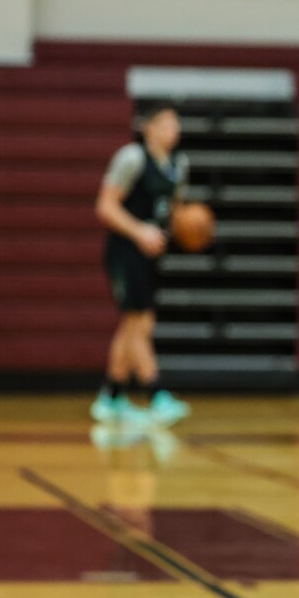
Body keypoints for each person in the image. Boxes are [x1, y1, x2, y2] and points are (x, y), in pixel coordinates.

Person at [92, 103, 192, 429]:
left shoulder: (179, 164)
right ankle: (155, 392)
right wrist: (139, 231)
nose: (174, 130)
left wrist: (192, 227)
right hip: (125, 251)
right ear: (148, 127)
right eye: (166, 124)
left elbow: (174, 211)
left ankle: (112, 396)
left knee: (133, 323)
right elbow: (105, 206)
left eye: (176, 124)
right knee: (140, 321)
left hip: (153, 253)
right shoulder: (132, 158)